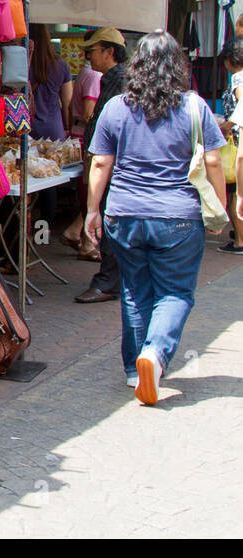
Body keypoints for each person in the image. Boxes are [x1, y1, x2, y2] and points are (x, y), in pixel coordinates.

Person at [85, 31, 227, 404]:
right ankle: (155, 354)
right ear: (177, 66)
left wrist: (91, 211)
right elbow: (213, 160)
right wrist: (222, 206)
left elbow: (100, 162)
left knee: (134, 291)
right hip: (178, 218)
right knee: (175, 292)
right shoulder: (195, 107)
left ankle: (135, 369)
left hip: (124, 215)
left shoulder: (116, 107)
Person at [75, 27, 128, 304]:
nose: (87, 57)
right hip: (112, 163)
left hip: (114, 165)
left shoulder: (119, 80)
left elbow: (111, 129)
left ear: (109, 51)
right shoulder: (112, 79)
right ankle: (111, 279)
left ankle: (108, 282)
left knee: (109, 221)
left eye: (92, 51)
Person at [27, 25, 74, 226]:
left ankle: (24, 229)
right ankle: (43, 232)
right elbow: (68, 103)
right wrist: (68, 127)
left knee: (26, 179)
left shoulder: (23, 65)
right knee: (50, 181)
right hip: (54, 131)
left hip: (28, 130)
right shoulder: (61, 66)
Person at [63, 56, 103, 255]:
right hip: (85, 138)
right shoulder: (94, 76)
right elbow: (88, 113)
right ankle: (87, 242)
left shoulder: (84, 74)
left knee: (89, 191)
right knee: (92, 191)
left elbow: (70, 106)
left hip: (77, 135)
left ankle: (76, 232)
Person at [218, 37, 243, 253]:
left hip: (236, 143)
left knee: (235, 192)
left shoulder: (238, 79)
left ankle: (240, 241)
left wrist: (227, 125)